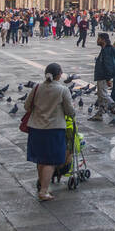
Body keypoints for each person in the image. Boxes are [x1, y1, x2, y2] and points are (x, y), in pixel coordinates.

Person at [24, 62, 77, 201]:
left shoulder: (37, 88)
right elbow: (70, 111)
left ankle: (42, 184)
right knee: (50, 161)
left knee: (41, 159)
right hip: (54, 130)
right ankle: (44, 191)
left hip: (36, 128)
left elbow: (26, 106)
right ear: (59, 75)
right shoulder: (63, 90)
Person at [91, 33, 115, 121]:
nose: (97, 41)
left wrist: (108, 79)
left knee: (103, 95)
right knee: (101, 96)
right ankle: (100, 114)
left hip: (103, 76)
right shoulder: (105, 49)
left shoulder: (106, 50)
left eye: (98, 39)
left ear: (103, 40)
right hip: (102, 76)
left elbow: (108, 65)